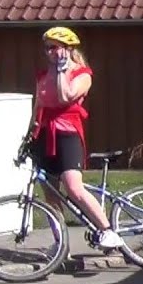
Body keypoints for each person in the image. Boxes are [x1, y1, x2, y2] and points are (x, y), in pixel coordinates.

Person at [29, 26, 125, 250]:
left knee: (74, 187)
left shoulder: (82, 74)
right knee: (50, 193)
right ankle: (60, 243)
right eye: (47, 49)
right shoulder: (43, 75)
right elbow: (37, 107)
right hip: (46, 134)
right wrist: (30, 138)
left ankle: (107, 230)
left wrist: (62, 71)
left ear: (67, 49)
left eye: (54, 48)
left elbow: (65, 98)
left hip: (68, 134)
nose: (49, 53)